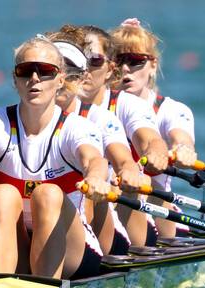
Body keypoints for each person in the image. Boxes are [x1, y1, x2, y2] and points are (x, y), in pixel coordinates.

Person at [0, 36, 113, 279]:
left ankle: (43, 286)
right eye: (25, 71)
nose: (34, 78)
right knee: (2, 193)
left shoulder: (79, 127)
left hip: (71, 252)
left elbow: (94, 160)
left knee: (47, 193)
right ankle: (0, 285)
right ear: (15, 79)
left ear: (61, 79)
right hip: (10, 241)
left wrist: (96, 179)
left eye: (45, 71)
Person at [45, 29, 158, 255]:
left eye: (94, 61)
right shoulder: (9, 119)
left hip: (105, 223)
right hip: (46, 217)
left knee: (132, 179)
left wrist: (134, 168)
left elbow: (128, 157)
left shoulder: (104, 116)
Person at [109, 18, 197, 240]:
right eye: (118, 60)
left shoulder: (171, 110)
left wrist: (183, 150)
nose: (125, 69)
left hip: (155, 212)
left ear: (153, 65)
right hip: (106, 206)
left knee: (143, 182)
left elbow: (181, 138)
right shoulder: (95, 109)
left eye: (135, 61)